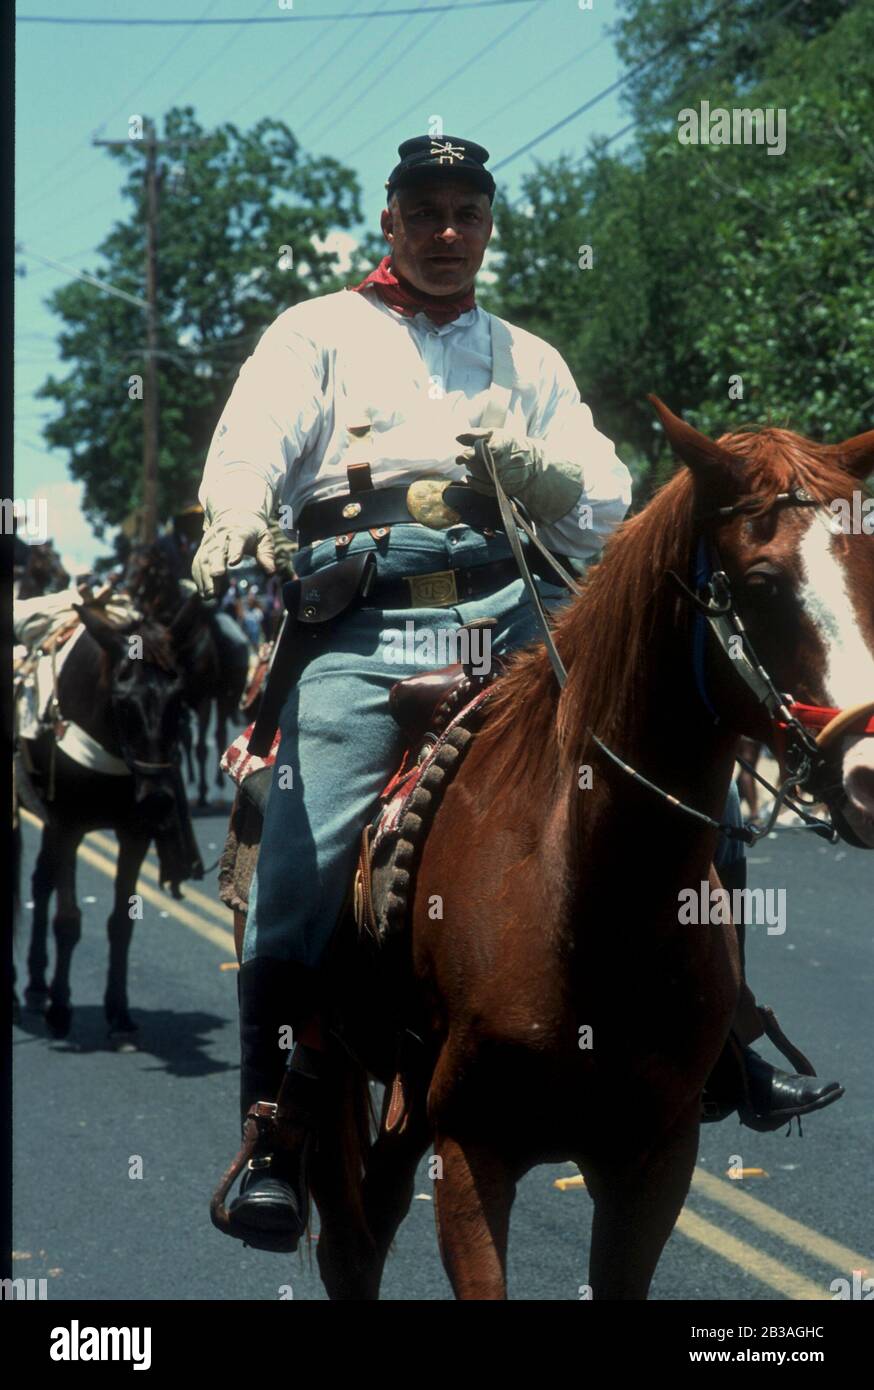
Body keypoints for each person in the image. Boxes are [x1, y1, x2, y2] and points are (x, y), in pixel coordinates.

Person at [194, 134, 841, 1254]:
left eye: (468, 215)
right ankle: (279, 1130)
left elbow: (603, 499)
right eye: (427, 213)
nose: (449, 234)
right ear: (390, 222)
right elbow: (253, 442)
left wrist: (551, 478)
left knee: (696, 806)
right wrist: (236, 511)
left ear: (487, 230)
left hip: (520, 617)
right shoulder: (318, 334)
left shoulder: (526, 357)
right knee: (303, 857)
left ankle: (723, 1041)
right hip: (365, 626)